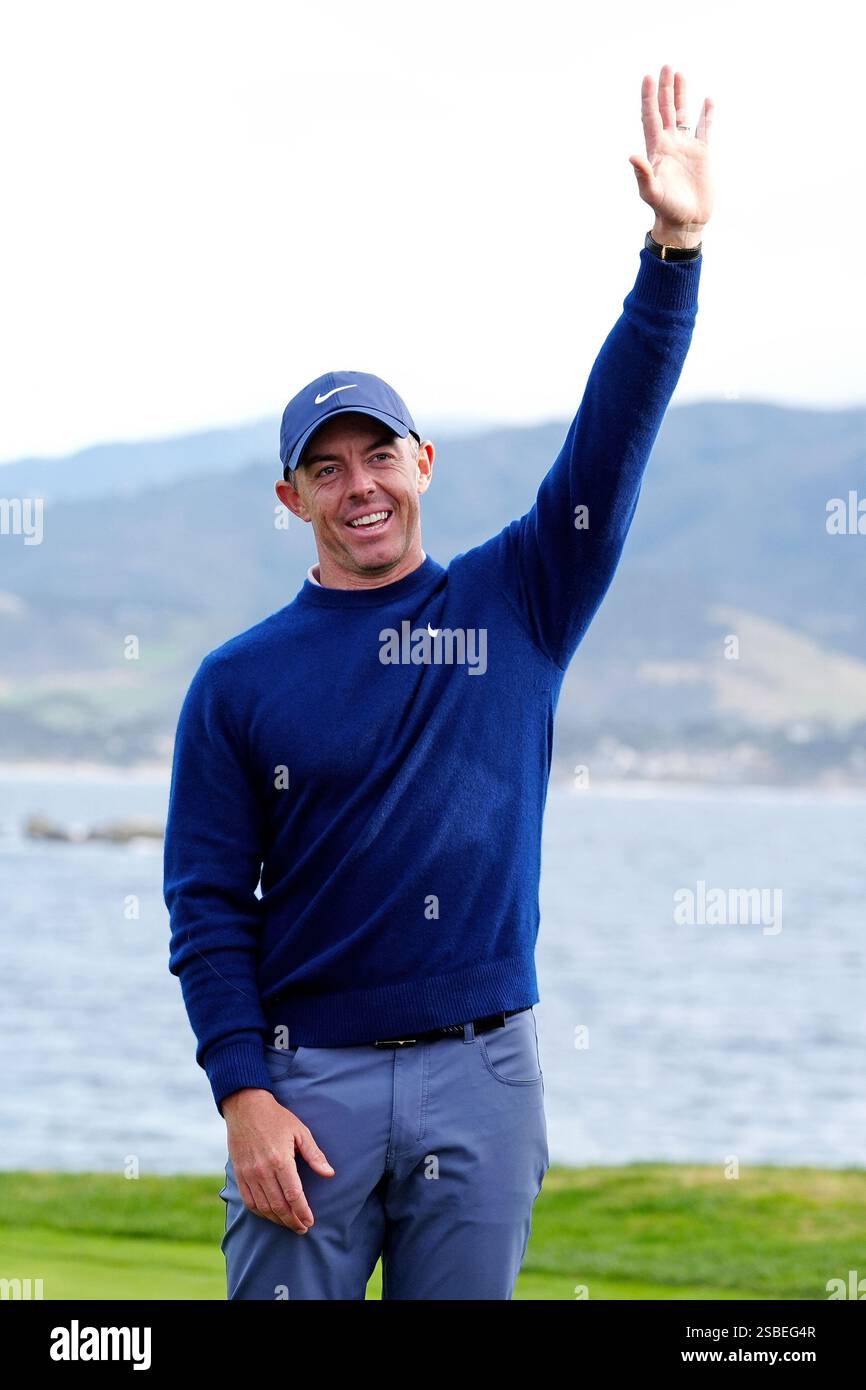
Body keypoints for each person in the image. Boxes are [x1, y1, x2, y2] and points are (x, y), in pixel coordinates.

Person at [163, 64, 714, 1300]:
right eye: (325, 468)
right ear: (287, 498)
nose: (357, 485)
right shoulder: (235, 681)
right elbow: (206, 905)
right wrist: (244, 1093)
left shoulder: (519, 597)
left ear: (422, 462)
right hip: (311, 1082)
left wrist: (671, 250)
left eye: (378, 455)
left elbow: (612, 435)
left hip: (488, 1077)